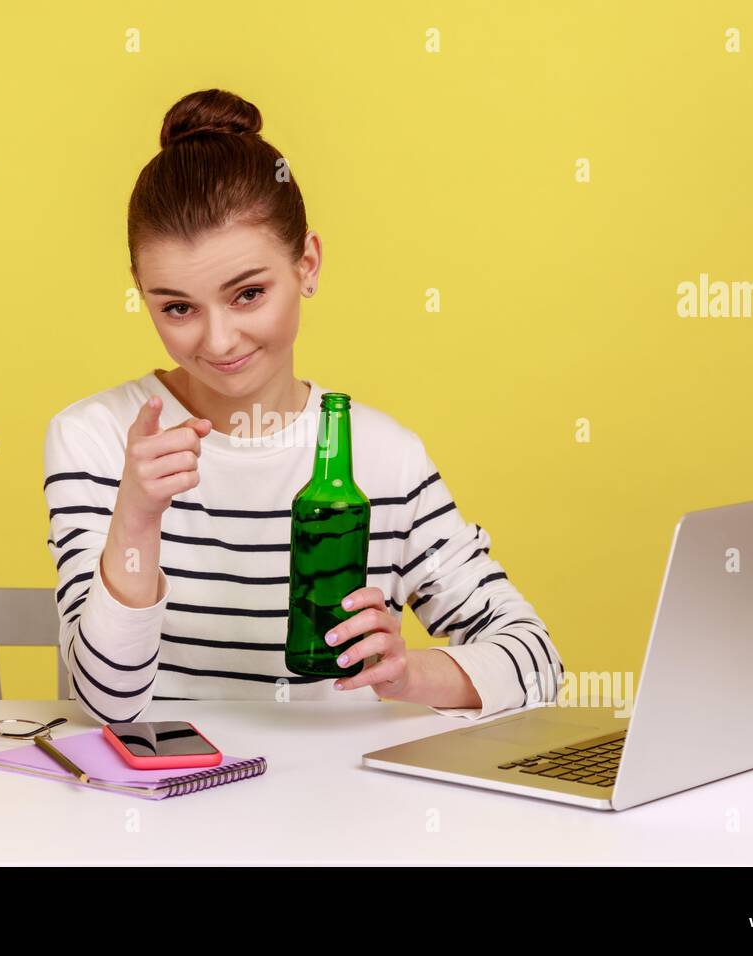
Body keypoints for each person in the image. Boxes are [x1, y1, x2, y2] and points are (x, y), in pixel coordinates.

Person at [44, 88, 563, 724]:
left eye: (248, 294)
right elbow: (106, 703)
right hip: (151, 808)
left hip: (332, 812)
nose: (218, 340)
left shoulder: (381, 455)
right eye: (177, 307)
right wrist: (135, 517)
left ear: (308, 264)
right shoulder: (94, 439)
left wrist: (410, 673)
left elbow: (537, 660)